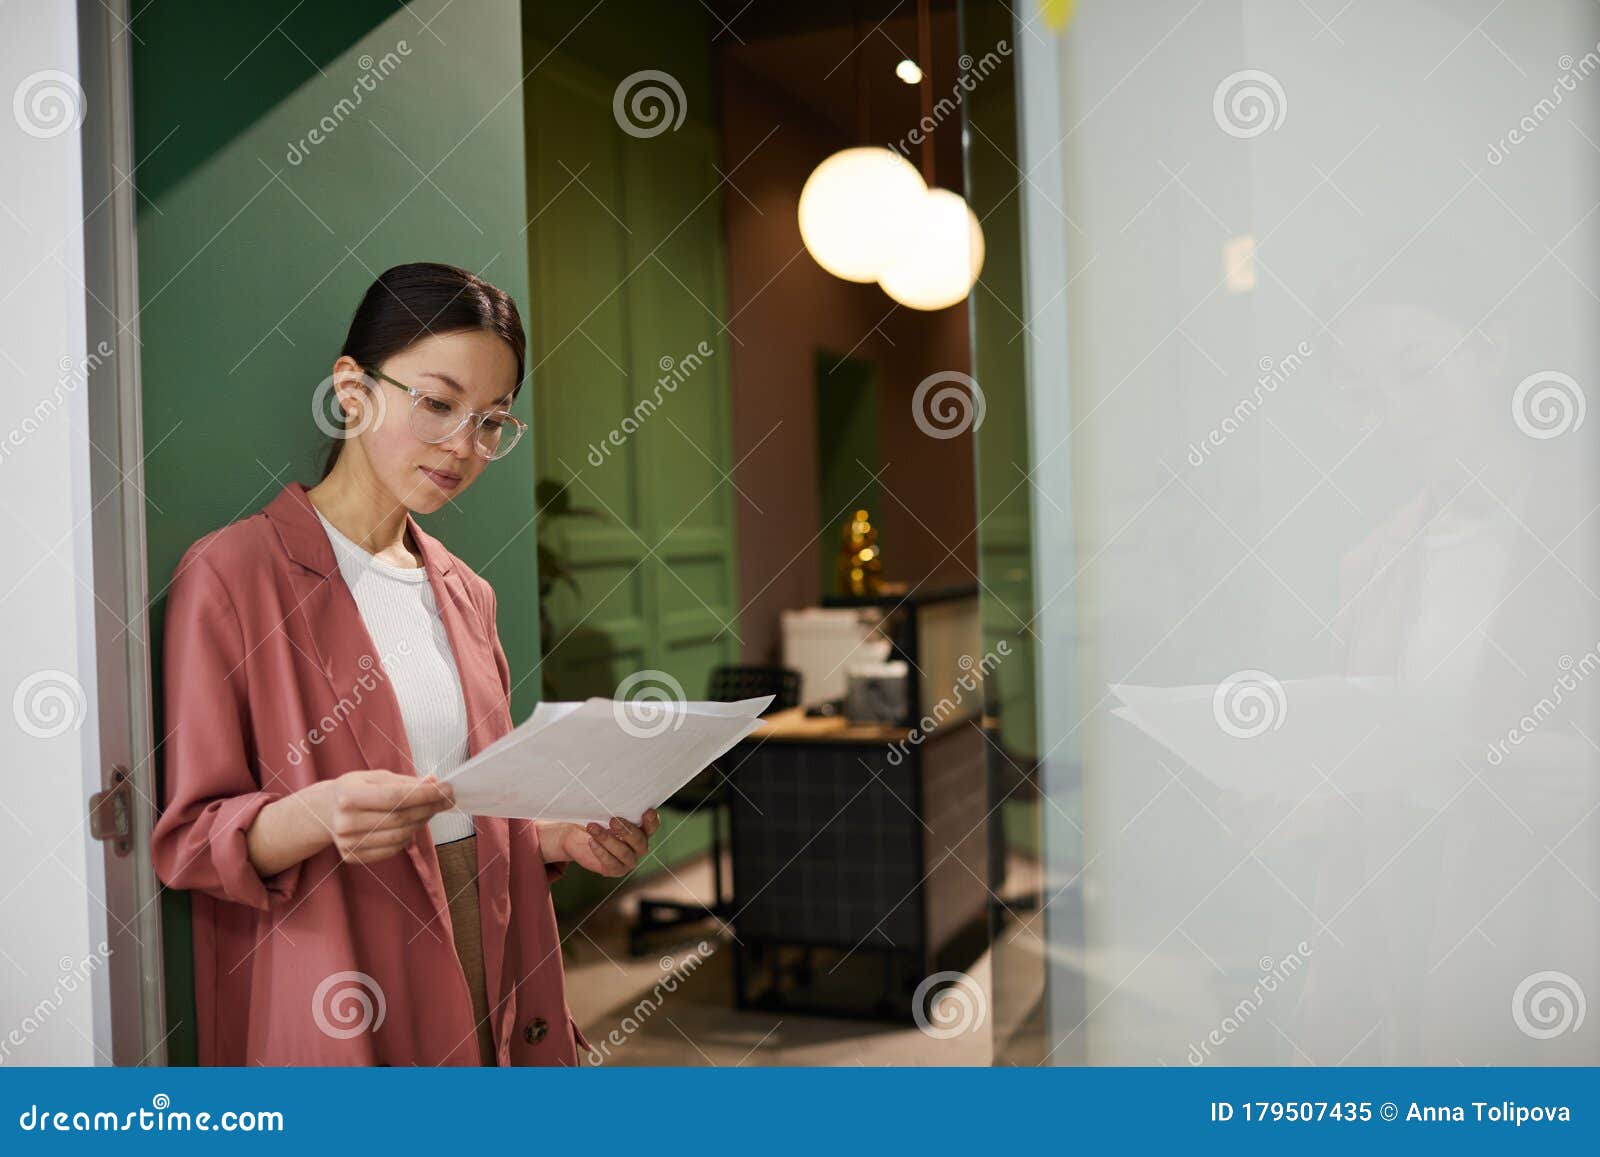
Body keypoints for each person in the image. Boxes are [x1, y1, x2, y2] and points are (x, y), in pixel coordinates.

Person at [151, 261, 660, 1065]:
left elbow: (473, 801)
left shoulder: (467, 592)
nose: (464, 445)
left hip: (496, 964)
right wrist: (319, 812)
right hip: (346, 979)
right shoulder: (233, 575)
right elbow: (188, 839)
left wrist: (560, 838)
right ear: (352, 388)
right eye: (437, 403)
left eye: (493, 420)